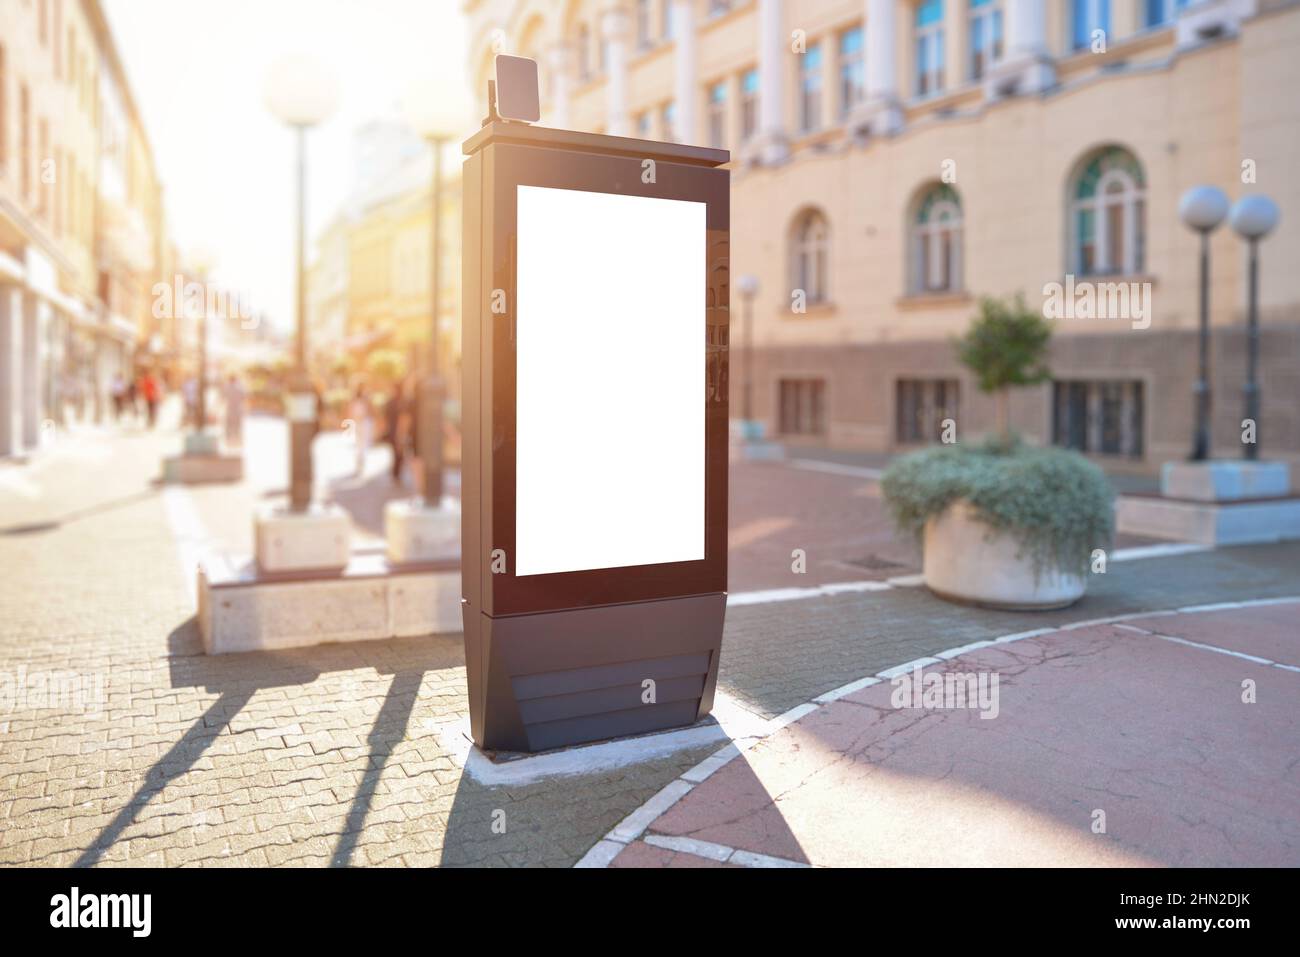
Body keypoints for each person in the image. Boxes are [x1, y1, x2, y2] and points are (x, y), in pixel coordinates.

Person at [347, 384, 373, 477]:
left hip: (359, 423)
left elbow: (349, 411)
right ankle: (360, 463)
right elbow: (370, 410)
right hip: (362, 423)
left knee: (360, 444)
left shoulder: (356, 399)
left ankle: (360, 463)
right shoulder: (364, 399)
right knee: (362, 444)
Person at [223, 374, 245, 448]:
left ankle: (229, 441)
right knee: (237, 426)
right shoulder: (240, 387)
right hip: (237, 409)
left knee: (229, 426)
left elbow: (223, 397)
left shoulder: (226, 387)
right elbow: (244, 397)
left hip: (230, 409)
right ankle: (237, 441)